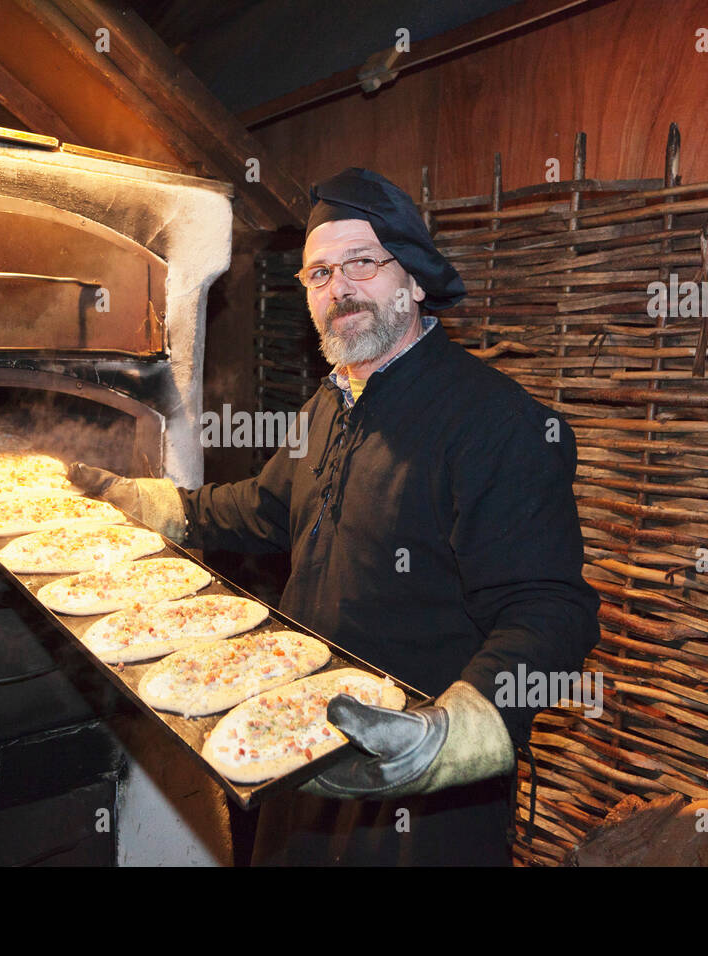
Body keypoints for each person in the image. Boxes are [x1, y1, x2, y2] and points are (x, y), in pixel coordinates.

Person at [70, 167, 600, 866]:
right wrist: (143, 503)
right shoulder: (331, 403)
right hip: (304, 746)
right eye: (319, 274)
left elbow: (551, 611)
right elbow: (262, 509)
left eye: (361, 264)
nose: (339, 288)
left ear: (412, 280)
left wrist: (450, 735)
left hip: (421, 796)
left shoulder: (499, 424)